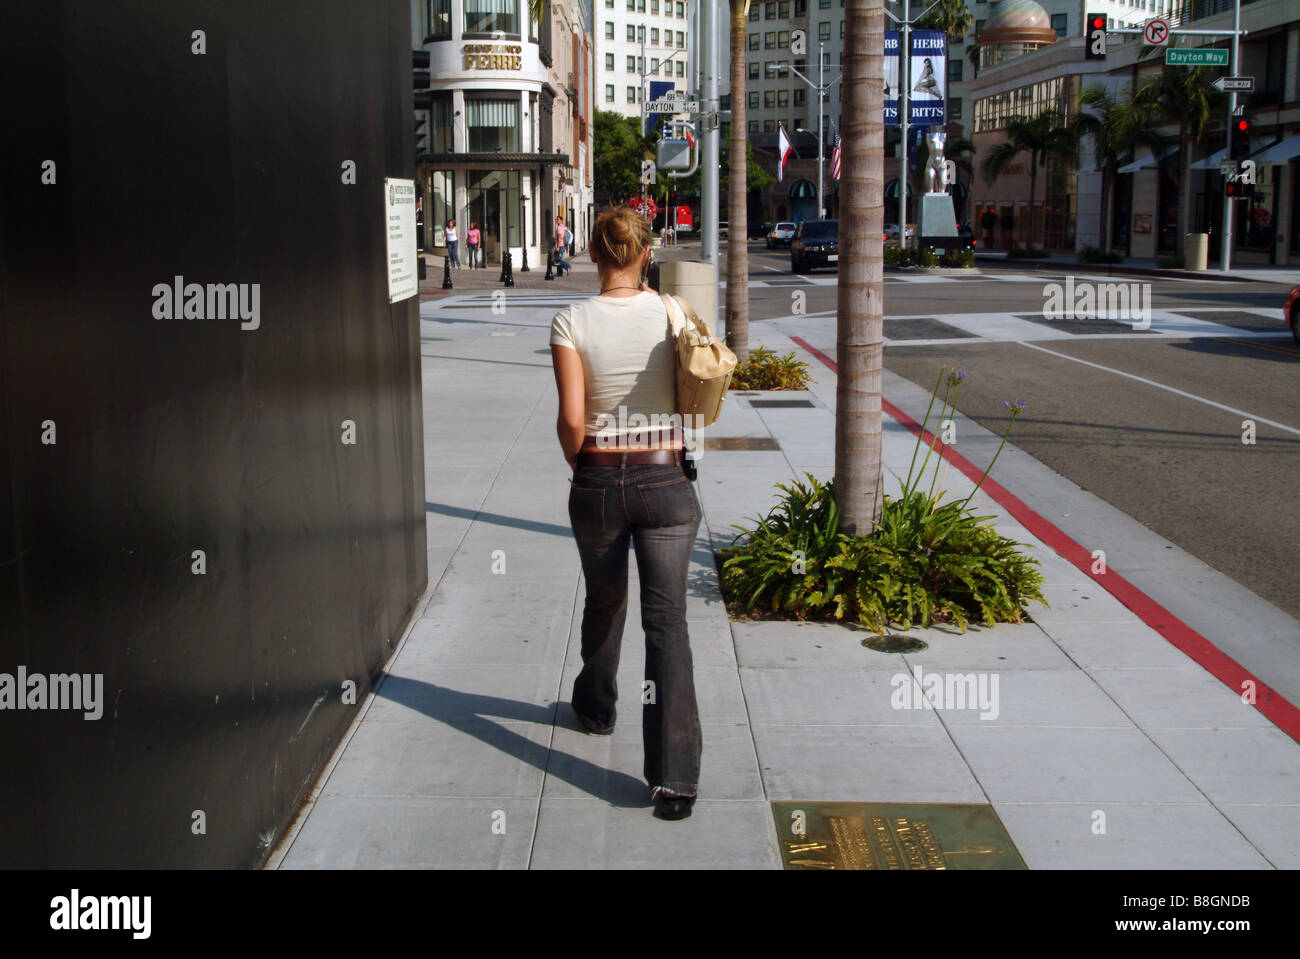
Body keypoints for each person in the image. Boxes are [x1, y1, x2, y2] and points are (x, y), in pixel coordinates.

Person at [549, 206, 701, 821]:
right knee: (666, 624)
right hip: (666, 479)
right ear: (644, 256)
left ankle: (596, 706)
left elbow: (570, 420)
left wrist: (582, 464)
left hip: (600, 479)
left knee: (605, 600)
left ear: (593, 254)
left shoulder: (570, 321)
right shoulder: (673, 313)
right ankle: (674, 780)